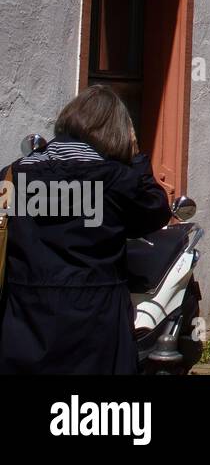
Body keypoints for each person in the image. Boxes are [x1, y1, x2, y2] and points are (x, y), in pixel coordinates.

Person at [0, 86, 172, 374]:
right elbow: (154, 213)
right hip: (95, 322)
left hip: (26, 319)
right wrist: (137, 157)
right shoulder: (115, 179)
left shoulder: (13, 175)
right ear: (115, 132)